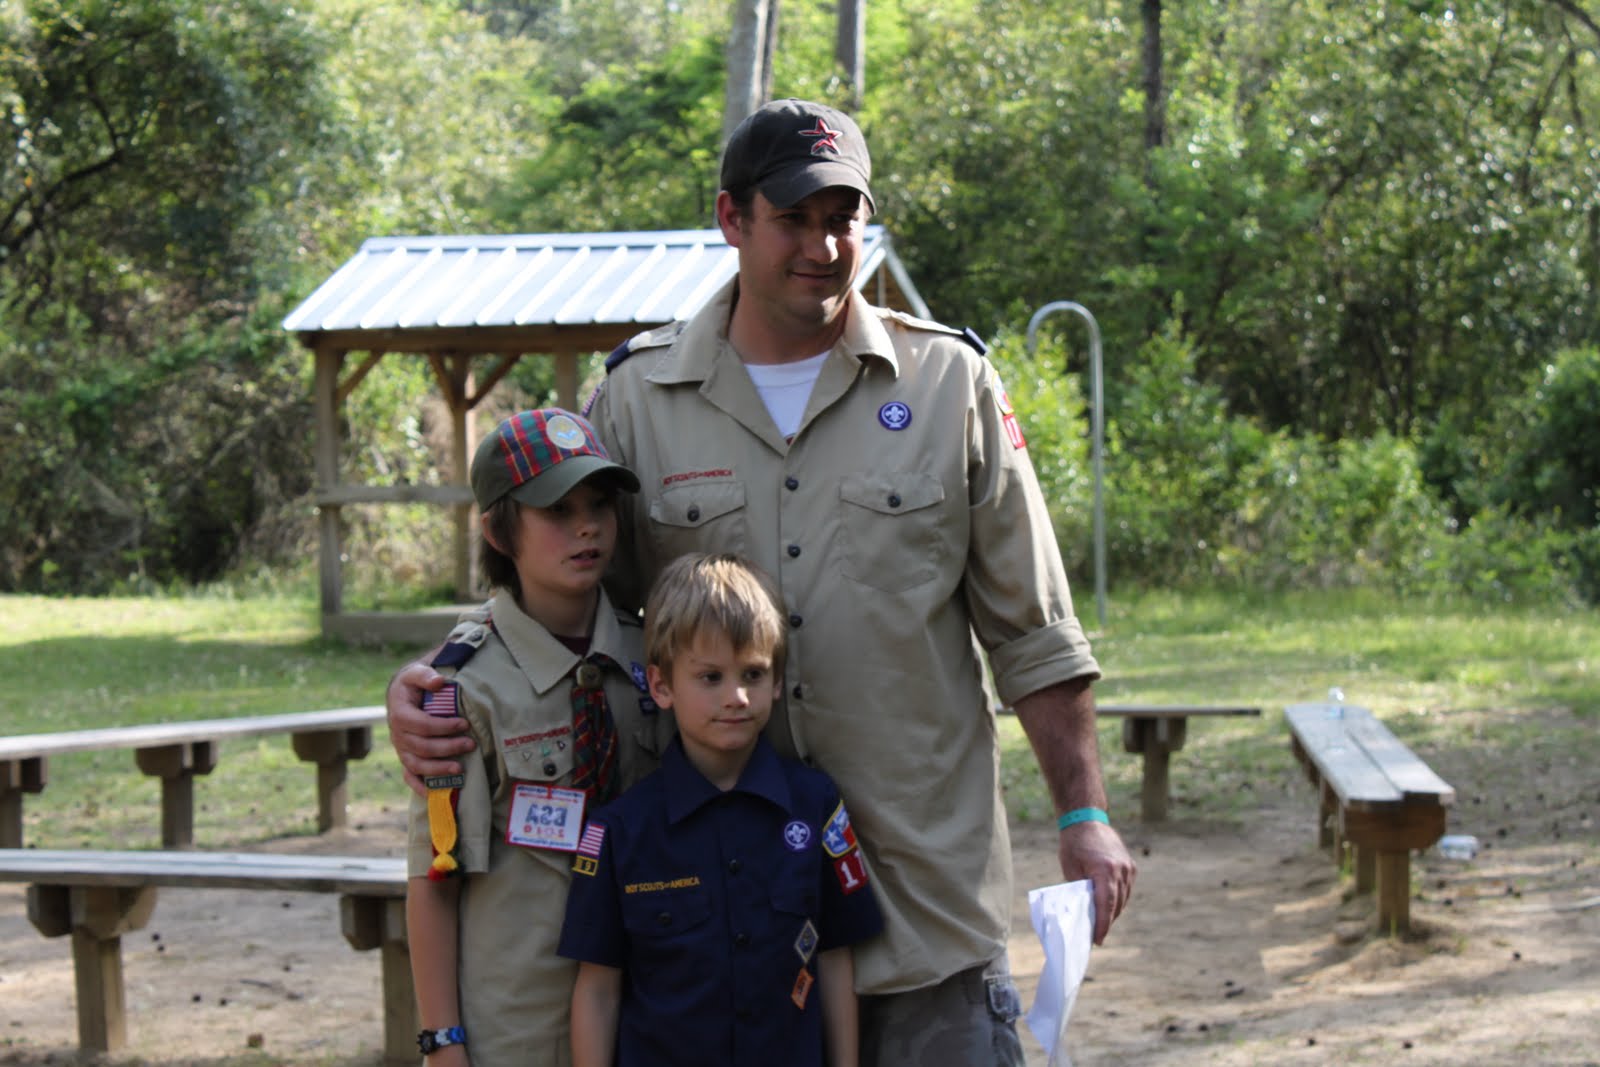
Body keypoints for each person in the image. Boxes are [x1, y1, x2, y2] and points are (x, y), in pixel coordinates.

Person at [389, 97, 1136, 1065]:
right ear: (731, 218)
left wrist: (1083, 814)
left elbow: (1034, 630)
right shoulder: (637, 401)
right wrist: (436, 677)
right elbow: (561, 586)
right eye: (795, 218)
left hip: (927, 925)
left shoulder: (950, 386)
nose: (824, 246)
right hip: (716, 949)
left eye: (843, 218)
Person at [404, 408, 673, 1066]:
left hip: (653, 1008)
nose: (587, 526)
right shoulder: (464, 688)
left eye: (600, 504)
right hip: (523, 1024)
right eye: (557, 510)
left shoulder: (656, 659)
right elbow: (435, 876)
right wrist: (443, 1042)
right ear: (499, 528)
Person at [559, 553, 883, 1067]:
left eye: (753, 673)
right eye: (710, 677)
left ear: (777, 681)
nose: (736, 696)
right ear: (661, 685)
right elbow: (598, 990)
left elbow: (836, 961)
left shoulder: (816, 807)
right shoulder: (620, 831)